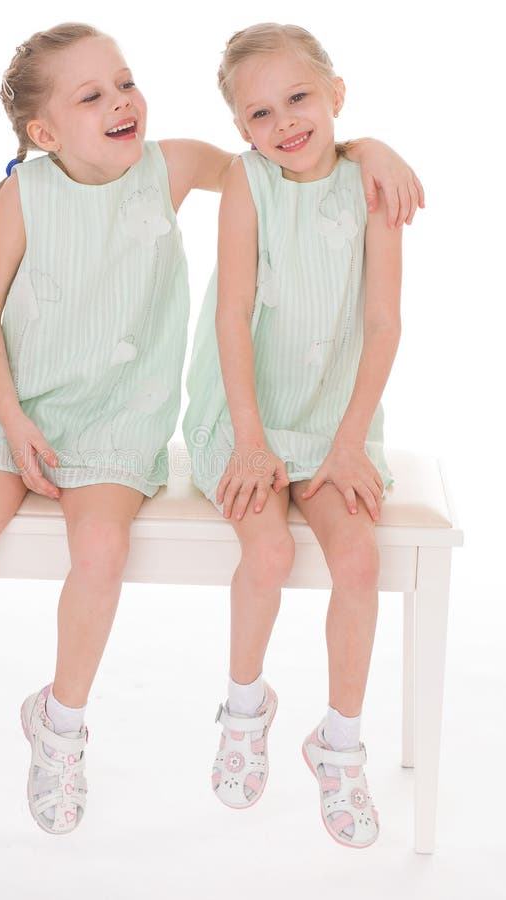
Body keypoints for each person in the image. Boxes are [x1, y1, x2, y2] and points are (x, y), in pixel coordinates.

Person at [0, 22, 419, 862]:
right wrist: (10, 422)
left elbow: (284, 162)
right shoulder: (27, 194)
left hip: (117, 416)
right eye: (92, 96)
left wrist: (371, 145)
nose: (122, 101)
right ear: (44, 134)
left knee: (100, 552)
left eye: (123, 81)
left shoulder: (176, 165)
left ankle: (60, 729)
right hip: (8, 408)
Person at [183, 23, 405, 849]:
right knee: (268, 552)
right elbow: (232, 315)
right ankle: (245, 710)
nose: (284, 123)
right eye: (260, 113)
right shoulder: (248, 184)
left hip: (332, 417)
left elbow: (382, 322)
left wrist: (348, 443)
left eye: (299, 98)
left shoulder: (372, 188)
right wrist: (248, 439)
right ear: (242, 130)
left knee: (358, 559)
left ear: (335, 95)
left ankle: (337, 744)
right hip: (242, 415)